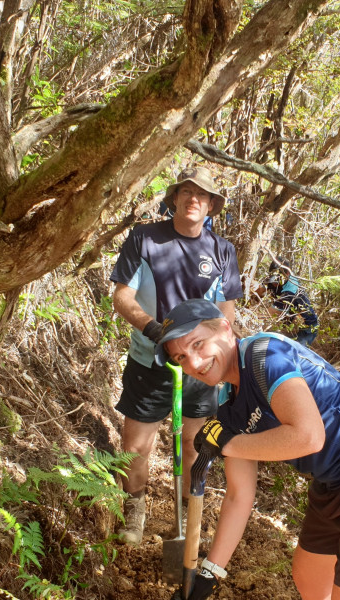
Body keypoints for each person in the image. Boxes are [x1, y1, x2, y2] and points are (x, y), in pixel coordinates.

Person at [154, 299, 340, 600]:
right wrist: (211, 572)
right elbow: (238, 495)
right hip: (335, 480)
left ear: (224, 327)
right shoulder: (227, 410)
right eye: (181, 357)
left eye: (198, 344)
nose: (193, 363)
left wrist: (227, 444)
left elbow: (309, 437)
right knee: (309, 578)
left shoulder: (265, 355)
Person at [109, 166, 243, 545]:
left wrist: (213, 358)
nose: (193, 198)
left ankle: (189, 521)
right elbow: (122, 295)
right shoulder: (146, 238)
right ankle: (133, 512)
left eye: (203, 194)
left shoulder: (222, 251)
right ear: (174, 198)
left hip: (201, 368)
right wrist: (154, 330)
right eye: (186, 191)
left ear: (213, 205)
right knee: (135, 445)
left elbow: (226, 313)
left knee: (196, 444)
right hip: (149, 360)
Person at [260, 259, 319, 346]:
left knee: (297, 350)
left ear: (287, 274)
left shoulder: (291, 289)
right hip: (288, 319)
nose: (274, 283)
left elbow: (272, 312)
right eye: (273, 278)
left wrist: (252, 320)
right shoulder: (275, 280)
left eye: (277, 279)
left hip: (308, 326)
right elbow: (262, 288)